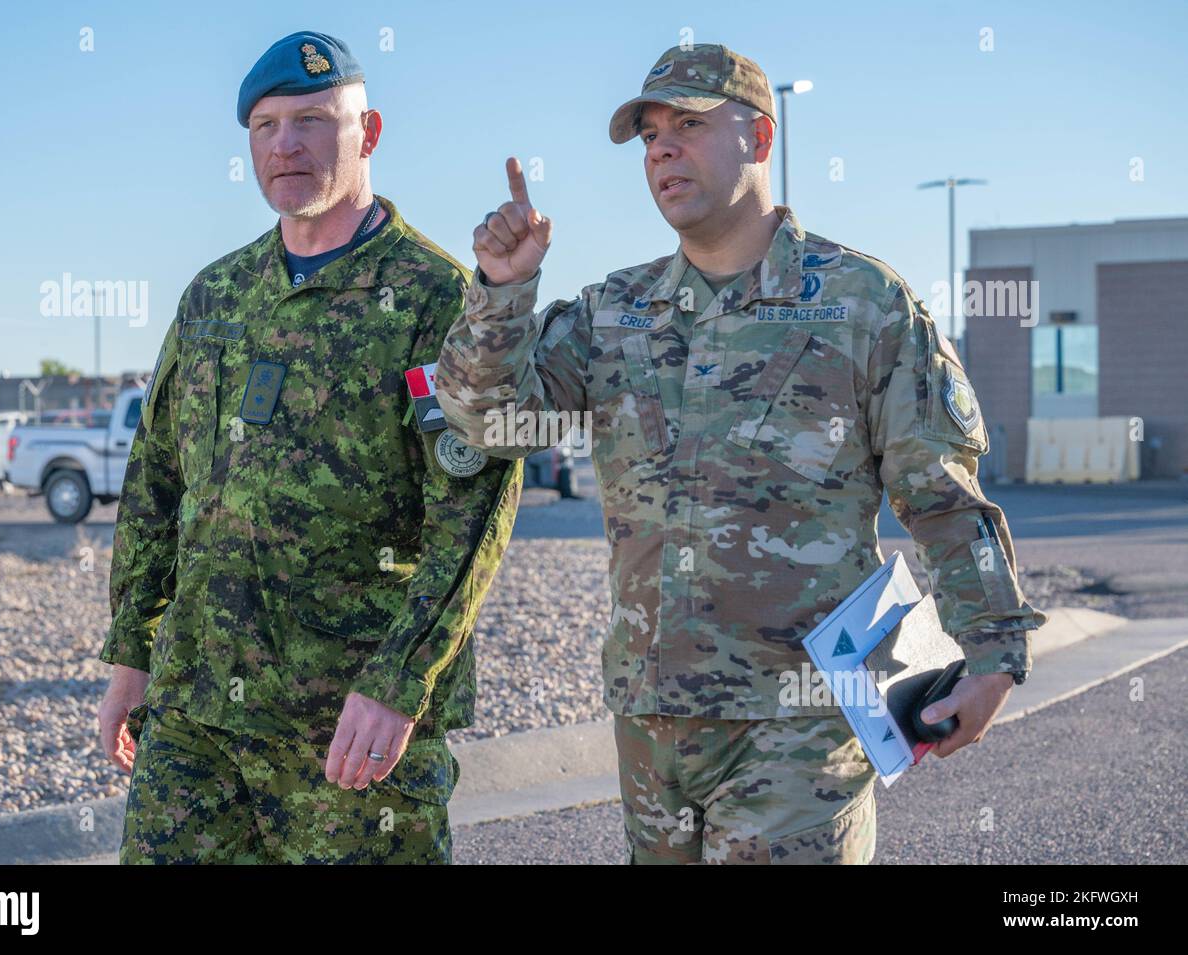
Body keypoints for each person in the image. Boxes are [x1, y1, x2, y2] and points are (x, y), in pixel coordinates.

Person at [435, 43, 1046, 864]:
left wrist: (995, 651)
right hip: (652, 723)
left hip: (799, 725)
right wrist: (501, 289)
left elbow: (936, 489)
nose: (661, 150)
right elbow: (488, 423)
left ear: (759, 141)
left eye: (688, 124)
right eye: (649, 135)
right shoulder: (613, 310)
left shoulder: (860, 304)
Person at [95, 30, 521, 864]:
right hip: (196, 715)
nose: (286, 145)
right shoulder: (216, 294)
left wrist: (399, 682)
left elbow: (472, 515)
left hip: (347, 727)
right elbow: (155, 480)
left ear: (370, 133)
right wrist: (131, 653)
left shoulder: (434, 296)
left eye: (314, 120)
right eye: (266, 125)